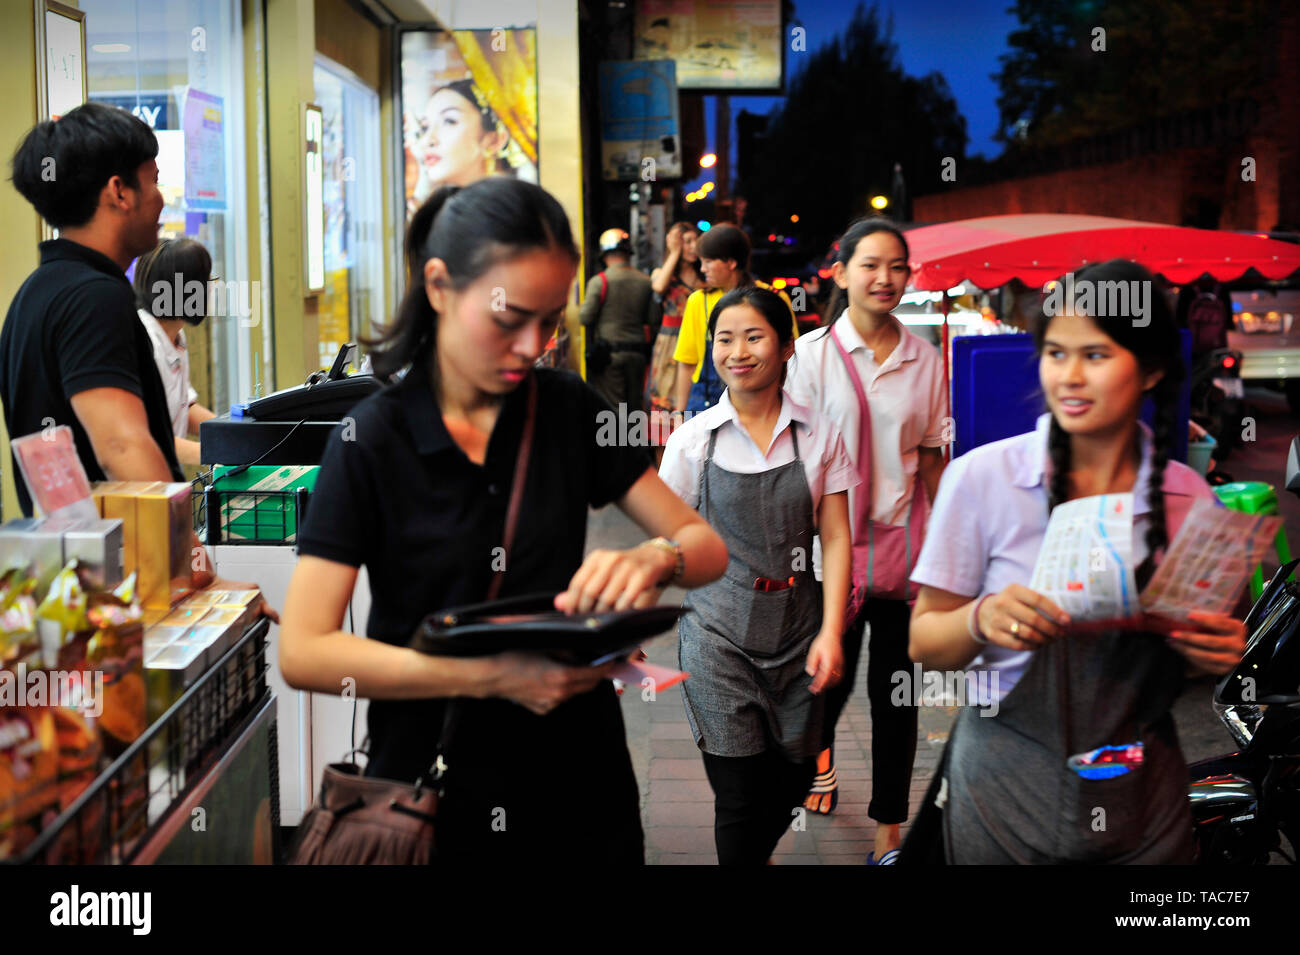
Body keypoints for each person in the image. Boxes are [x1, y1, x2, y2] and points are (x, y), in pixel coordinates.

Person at [278, 178, 728, 862]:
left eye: (549, 321)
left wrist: (654, 559)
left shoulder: (566, 407)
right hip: (432, 786)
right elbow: (306, 650)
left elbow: (706, 546)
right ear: (438, 286)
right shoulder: (373, 438)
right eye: (509, 318)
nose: (532, 346)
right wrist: (494, 676)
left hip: (582, 780)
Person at [908, 259, 1245, 864]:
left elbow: (1210, 654)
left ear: (1152, 370)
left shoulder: (1190, 500)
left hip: (1144, 795)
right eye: (1056, 353)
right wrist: (981, 618)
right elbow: (926, 641)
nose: (1069, 376)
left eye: (1096, 355)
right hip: (1003, 788)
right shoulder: (981, 480)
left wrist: (1211, 654)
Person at [660, 286, 855, 864]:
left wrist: (831, 632)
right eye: (724, 339)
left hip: (800, 630)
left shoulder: (819, 435)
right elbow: (665, 536)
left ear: (786, 346)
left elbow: (837, 536)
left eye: (753, 336)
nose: (737, 351)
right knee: (739, 795)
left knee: (795, 775)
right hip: (716, 636)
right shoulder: (694, 441)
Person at [784, 218, 947, 866]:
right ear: (841, 270)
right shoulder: (809, 356)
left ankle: (888, 828)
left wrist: (952, 543)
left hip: (907, 550)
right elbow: (791, 456)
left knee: (896, 692)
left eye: (897, 267)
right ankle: (816, 767)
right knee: (826, 680)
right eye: (871, 265)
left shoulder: (926, 359)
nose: (884, 279)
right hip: (833, 552)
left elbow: (933, 458)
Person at [1, 102, 184, 517]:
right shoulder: (94, 298)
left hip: (73, 565)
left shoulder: (37, 292)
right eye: (153, 181)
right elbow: (121, 446)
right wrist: (183, 548)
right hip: (122, 569)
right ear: (119, 192)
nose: (161, 201)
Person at [671, 224, 797, 415]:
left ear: (730, 263)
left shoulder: (774, 298)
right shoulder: (698, 301)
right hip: (704, 404)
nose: (703, 269)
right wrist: (680, 412)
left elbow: (792, 360)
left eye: (708, 261)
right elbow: (687, 362)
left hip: (764, 404)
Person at [132, 238, 218, 466]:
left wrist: (230, 432)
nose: (212, 287)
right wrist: (221, 454)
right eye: (206, 281)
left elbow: (183, 408)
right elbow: (151, 438)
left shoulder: (175, 335)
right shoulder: (145, 343)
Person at [579, 228, 654, 415]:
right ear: (628, 254)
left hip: (610, 357)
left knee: (613, 407)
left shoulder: (600, 281)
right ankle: (636, 444)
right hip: (637, 355)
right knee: (635, 406)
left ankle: (616, 444)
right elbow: (653, 319)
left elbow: (585, 317)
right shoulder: (646, 282)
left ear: (604, 254)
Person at [407, 79, 509, 214]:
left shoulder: (511, 215)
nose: (427, 140)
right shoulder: (429, 214)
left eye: (449, 121)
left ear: (495, 140)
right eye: (425, 127)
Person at [648, 222, 702, 421]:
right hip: (670, 346)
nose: (693, 247)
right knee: (664, 401)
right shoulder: (662, 274)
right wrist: (674, 252)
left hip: (696, 342)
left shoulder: (705, 275)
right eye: (687, 242)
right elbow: (659, 287)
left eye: (696, 241)